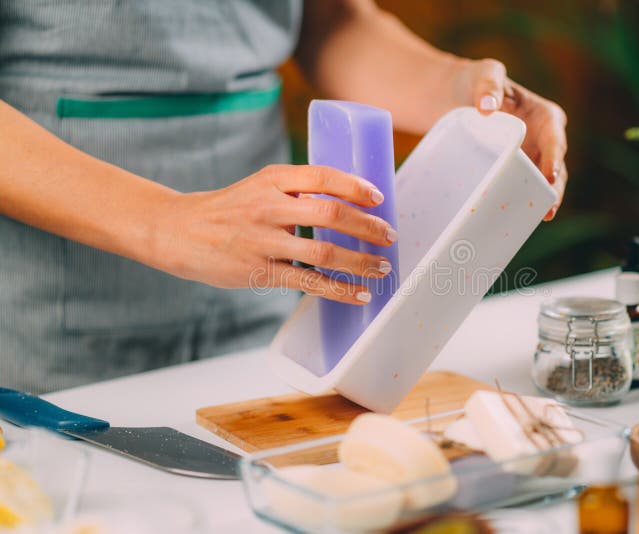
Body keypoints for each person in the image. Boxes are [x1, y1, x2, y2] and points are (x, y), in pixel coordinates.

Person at [0, 1, 567, 393]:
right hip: (59, 327)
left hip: (266, 297)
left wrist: (456, 87)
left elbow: (329, 20)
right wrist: (166, 221)